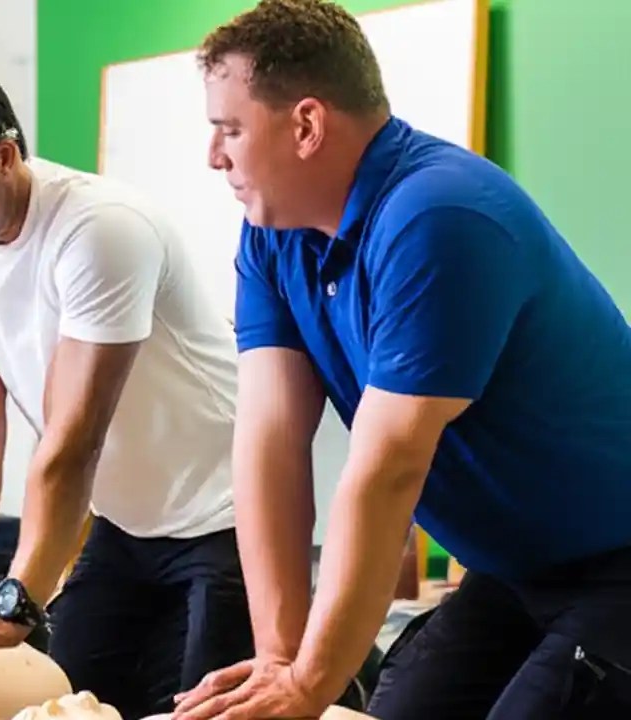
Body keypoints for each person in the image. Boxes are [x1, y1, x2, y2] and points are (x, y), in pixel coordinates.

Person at [173, 1, 631, 718]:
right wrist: (279, 660)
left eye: (229, 129)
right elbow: (269, 440)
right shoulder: (274, 234)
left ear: (306, 125)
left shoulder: (439, 217)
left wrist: (307, 686)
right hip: (509, 572)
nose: (214, 156)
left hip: (617, 563)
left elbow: (388, 470)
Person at [0, 52, 252, 718]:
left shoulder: (99, 231)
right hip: (125, 525)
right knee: (61, 704)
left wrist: (16, 602)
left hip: (227, 518)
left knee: (193, 707)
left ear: (6, 155)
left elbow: (74, 437)